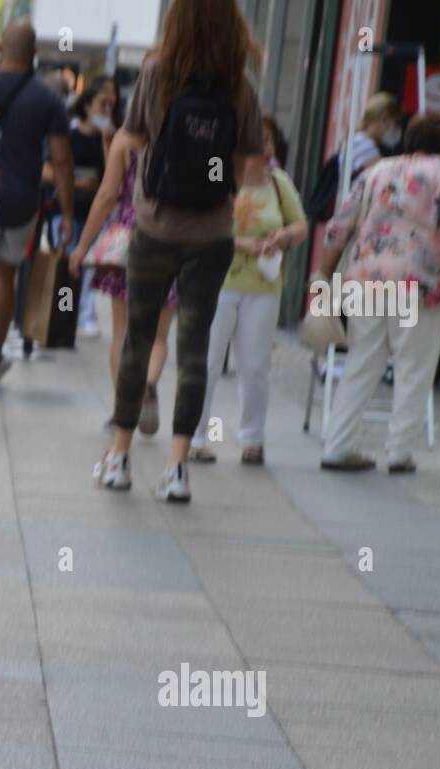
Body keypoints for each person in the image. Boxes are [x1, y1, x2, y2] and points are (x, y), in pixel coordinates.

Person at [91, 0, 265, 503]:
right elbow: (252, 166)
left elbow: (134, 138)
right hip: (211, 235)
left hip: (154, 227)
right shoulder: (240, 86)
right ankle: (177, 468)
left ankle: (120, 458)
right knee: (194, 352)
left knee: (137, 342)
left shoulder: (155, 73)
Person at [319, 113, 440, 475]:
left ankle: (337, 447)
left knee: (361, 361)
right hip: (416, 287)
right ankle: (398, 452)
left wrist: (324, 274)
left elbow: (341, 223)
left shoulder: (376, 171)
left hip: (367, 280)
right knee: (413, 367)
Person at [0, 19, 73, 393]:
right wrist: (68, 212)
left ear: (0, 49)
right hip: (23, 200)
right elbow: (62, 160)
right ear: (35, 53)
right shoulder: (48, 99)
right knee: (5, 275)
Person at [190, 116, 307, 465]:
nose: (264, 147)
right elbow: (201, 222)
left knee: (255, 365)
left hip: (264, 285)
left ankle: (252, 438)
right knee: (208, 361)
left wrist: (285, 237)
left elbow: (300, 224)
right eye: (257, 139)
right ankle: (196, 436)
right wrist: (241, 244)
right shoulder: (218, 172)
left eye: (268, 140)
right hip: (218, 282)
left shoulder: (278, 182)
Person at [70, 139, 177, 433]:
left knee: (122, 332)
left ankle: (123, 410)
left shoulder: (126, 141)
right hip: (171, 237)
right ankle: (150, 383)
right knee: (159, 336)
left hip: (131, 238)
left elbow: (106, 196)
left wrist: (82, 247)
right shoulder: (181, 136)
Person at [49, 87, 105, 339]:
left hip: (94, 210)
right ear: (87, 106)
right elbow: (53, 168)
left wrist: (106, 139)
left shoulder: (108, 139)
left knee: (88, 266)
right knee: (68, 263)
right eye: (102, 104)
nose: (106, 111)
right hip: (67, 207)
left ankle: (83, 314)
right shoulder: (69, 135)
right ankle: (64, 314)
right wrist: (76, 183)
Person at [350, 92, 404, 179]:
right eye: (396, 124)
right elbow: (384, 177)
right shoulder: (361, 144)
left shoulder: (358, 140)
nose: (397, 130)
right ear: (384, 118)